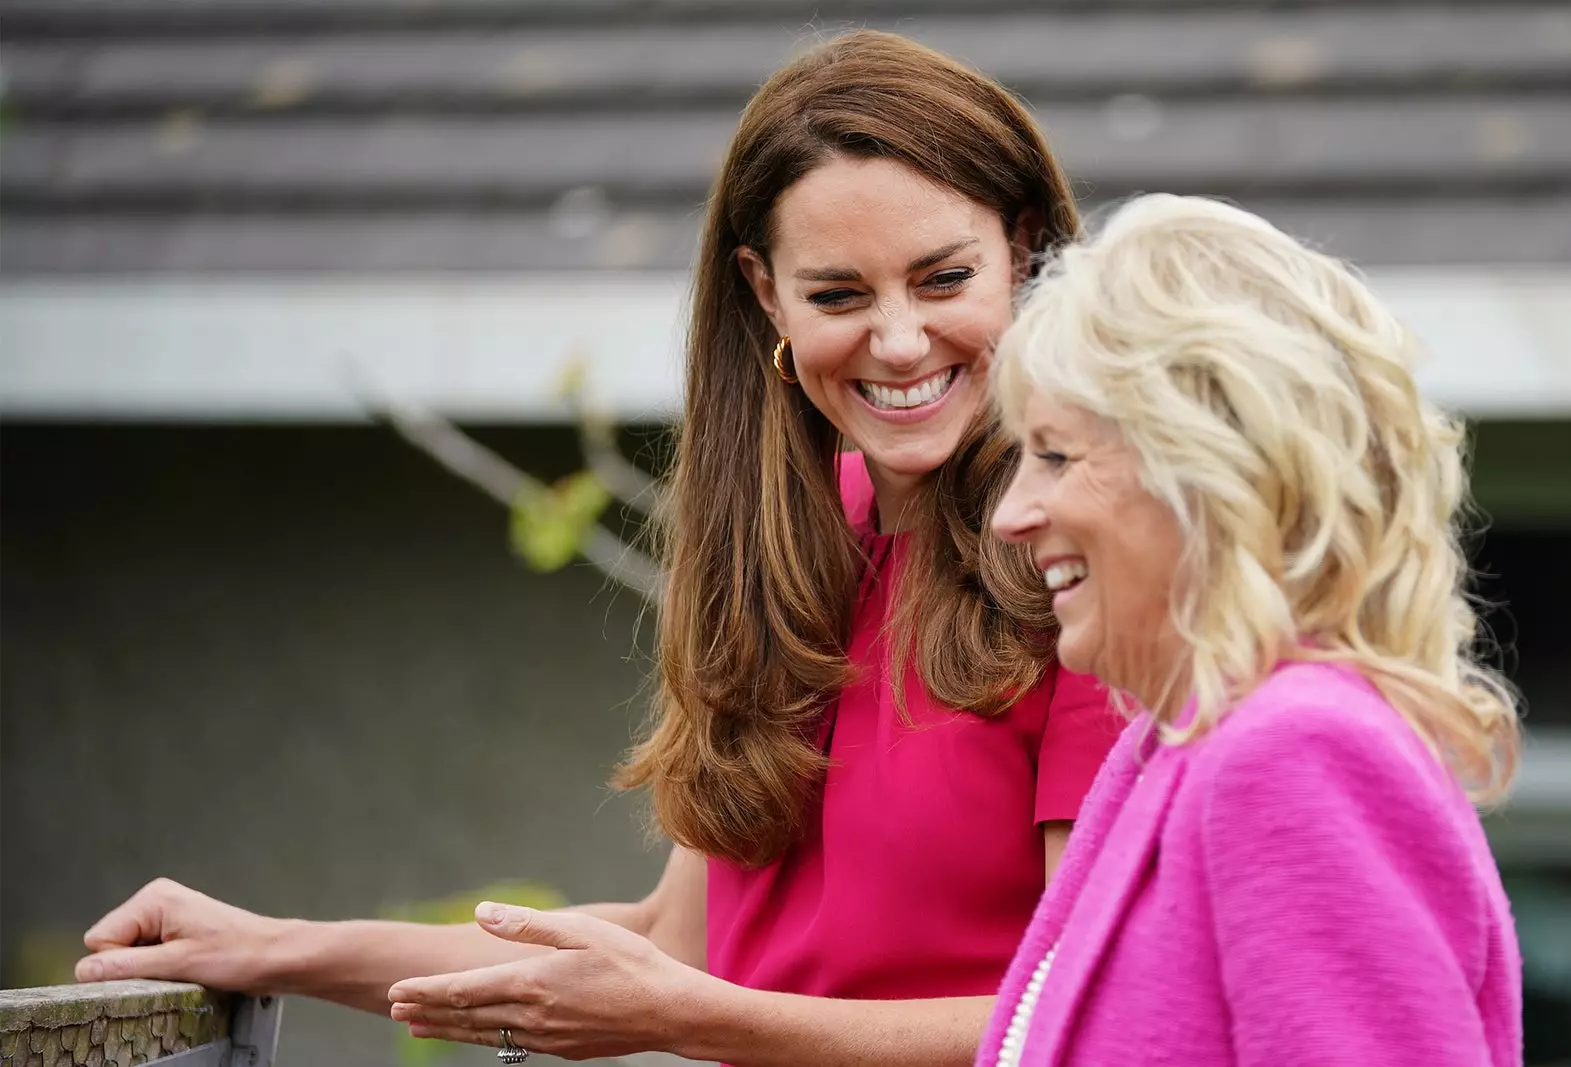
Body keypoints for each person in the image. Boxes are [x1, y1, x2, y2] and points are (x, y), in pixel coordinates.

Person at [74, 31, 1124, 1067]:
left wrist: (691, 1019)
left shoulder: (1086, 562)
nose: (896, 341)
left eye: (942, 278)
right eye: (838, 295)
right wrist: (271, 946)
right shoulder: (793, 553)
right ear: (765, 292)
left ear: (1026, 252)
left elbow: (1092, 1009)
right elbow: (675, 945)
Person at [980, 193, 1523, 1067]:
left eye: (1054, 454)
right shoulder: (1172, 742)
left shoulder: (1293, 749)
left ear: (1204, 468)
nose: (1012, 514)